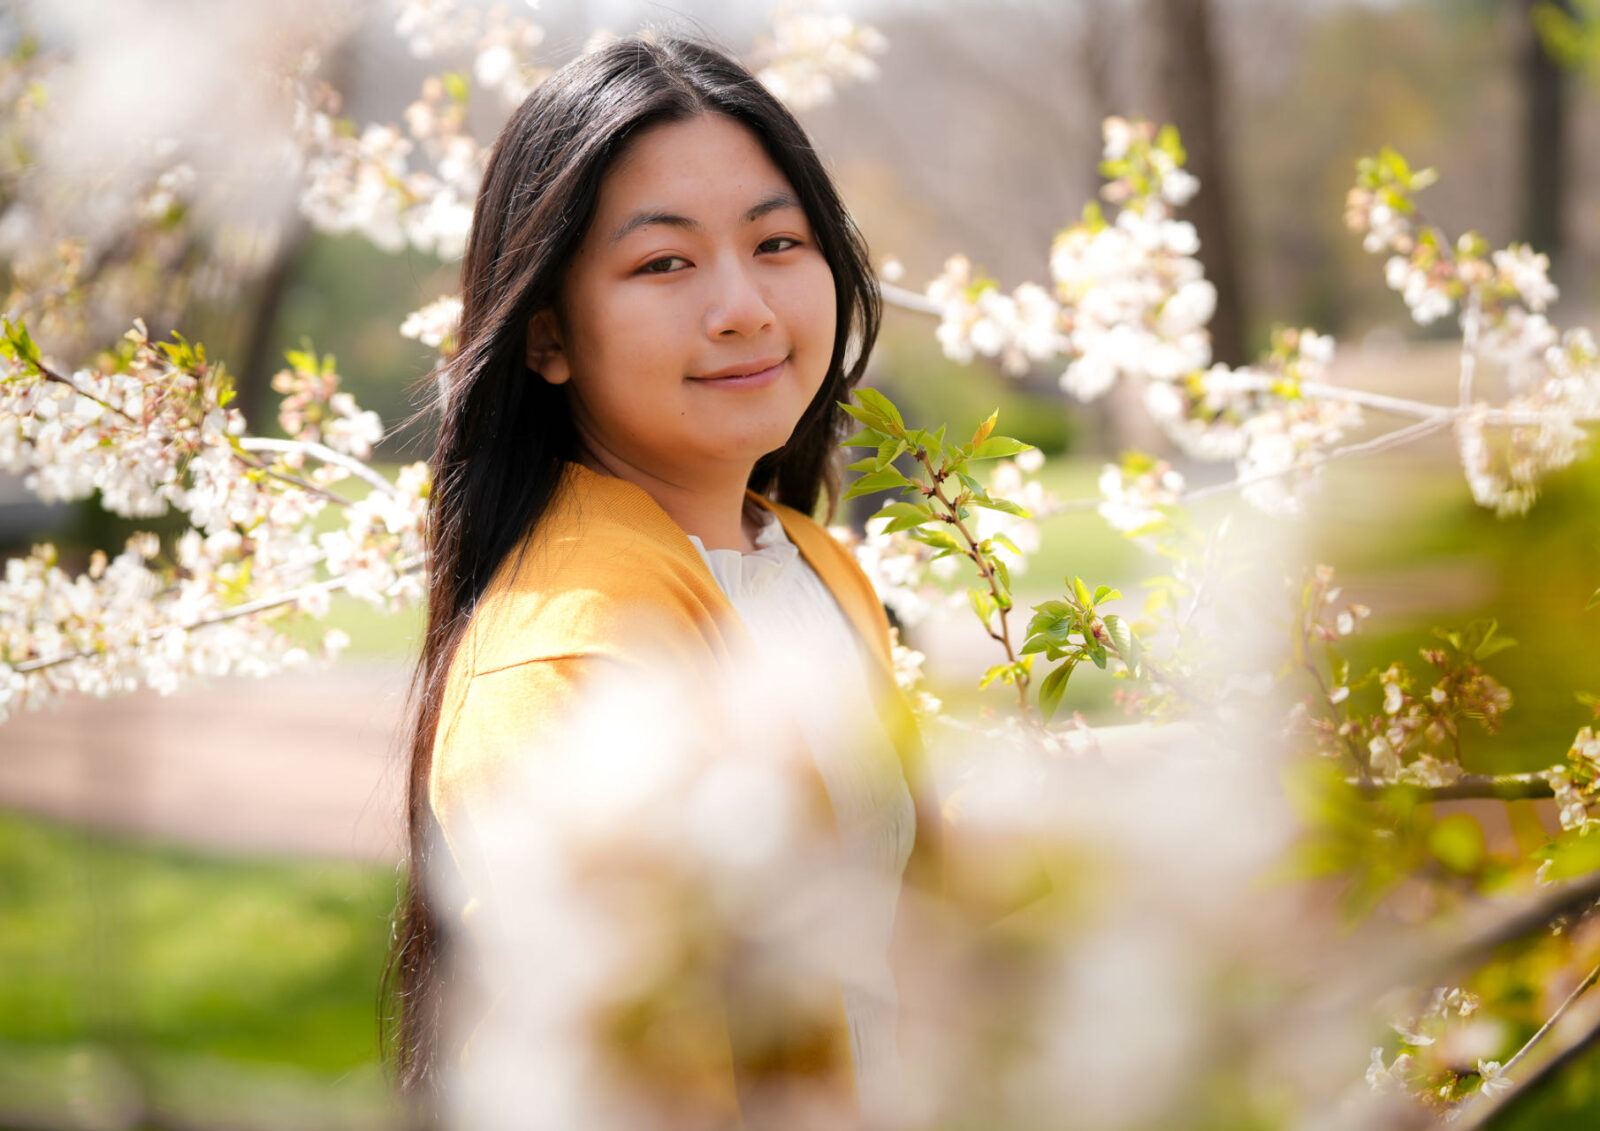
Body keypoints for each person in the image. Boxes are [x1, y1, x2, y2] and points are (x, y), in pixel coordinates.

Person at [386, 34, 941, 1127]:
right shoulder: (572, 656)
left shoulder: (810, 560)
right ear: (546, 335)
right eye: (663, 263)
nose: (744, 307)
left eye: (777, 242)